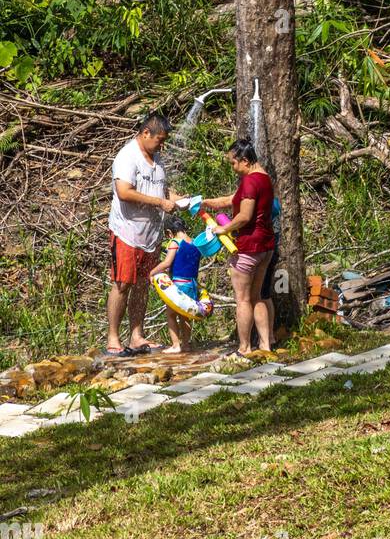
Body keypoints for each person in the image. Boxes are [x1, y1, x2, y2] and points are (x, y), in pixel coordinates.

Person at [106, 112, 177, 356]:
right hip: (127, 231)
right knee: (122, 283)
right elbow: (124, 191)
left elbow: (164, 192)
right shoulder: (128, 156)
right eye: (159, 139)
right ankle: (113, 338)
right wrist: (158, 202)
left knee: (143, 286)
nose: (162, 145)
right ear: (145, 133)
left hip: (150, 235)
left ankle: (137, 335)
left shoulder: (157, 159)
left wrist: (181, 202)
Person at [202, 139, 274, 355]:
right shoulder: (264, 178)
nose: (233, 168)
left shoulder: (250, 181)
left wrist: (224, 230)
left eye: (233, 163)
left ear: (245, 161)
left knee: (242, 299)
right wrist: (203, 202)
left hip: (248, 247)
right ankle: (265, 345)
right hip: (265, 246)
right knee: (257, 296)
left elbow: (244, 216)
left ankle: (244, 348)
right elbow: (232, 200)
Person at [149, 218, 203, 354]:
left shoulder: (175, 242)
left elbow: (167, 263)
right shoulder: (195, 242)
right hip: (191, 284)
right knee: (185, 315)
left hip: (178, 284)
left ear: (169, 233)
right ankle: (185, 344)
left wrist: (153, 272)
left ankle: (175, 345)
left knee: (171, 314)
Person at [259, 195, 282, 351]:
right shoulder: (273, 202)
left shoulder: (264, 205)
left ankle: (264, 340)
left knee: (258, 296)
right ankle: (270, 337)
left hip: (263, 252)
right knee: (265, 294)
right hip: (272, 251)